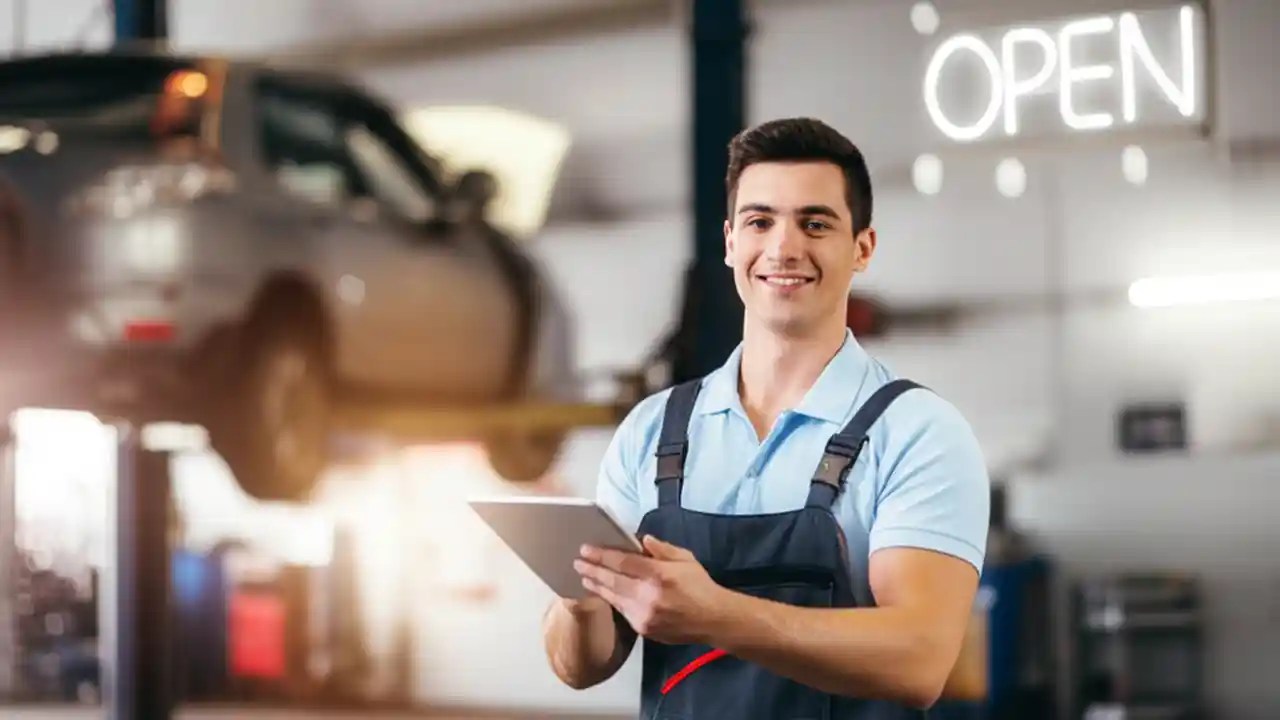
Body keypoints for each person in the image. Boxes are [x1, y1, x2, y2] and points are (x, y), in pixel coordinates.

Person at [541, 117, 990, 719]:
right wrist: (579, 603)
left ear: (863, 247)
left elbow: (919, 661)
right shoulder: (651, 432)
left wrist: (717, 614)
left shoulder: (917, 432)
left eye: (815, 223)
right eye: (760, 221)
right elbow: (581, 667)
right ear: (730, 242)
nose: (783, 248)